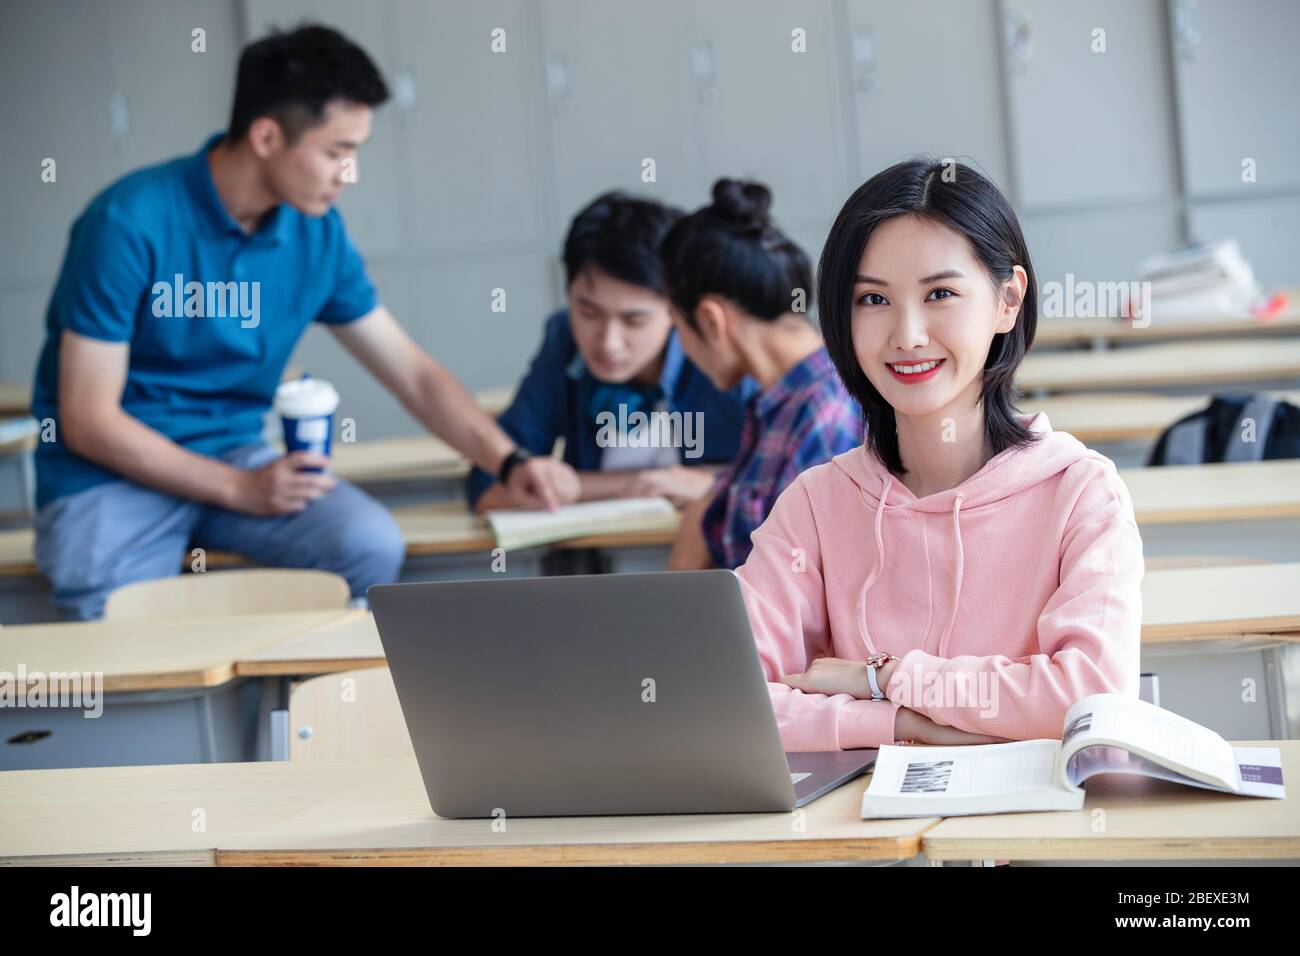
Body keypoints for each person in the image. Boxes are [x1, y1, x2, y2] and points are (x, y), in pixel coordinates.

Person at [30, 24, 574, 619]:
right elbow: (86, 421)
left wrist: (511, 463)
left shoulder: (315, 233)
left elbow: (413, 375)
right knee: (110, 609)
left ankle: (294, 713)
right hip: (109, 477)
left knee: (368, 545)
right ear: (266, 136)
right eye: (337, 152)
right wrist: (240, 489)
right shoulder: (127, 223)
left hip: (237, 455)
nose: (350, 174)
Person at [736, 159, 1144, 749]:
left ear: (1008, 300)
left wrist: (884, 677)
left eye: (941, 294)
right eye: (873, 300)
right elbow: (732, 699)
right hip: (865, 835)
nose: (907, 334)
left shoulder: (1080, 492)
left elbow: (1091, 696)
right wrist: (900, 723)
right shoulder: (816, 505)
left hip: (1032, 834)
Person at [466, 192, 755, 513]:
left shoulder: (718, 348)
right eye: (588, 312)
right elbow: (488, 485)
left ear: (675, 308)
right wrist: (668, 481)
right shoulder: (564, 342)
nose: (609, 343)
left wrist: (712, 485)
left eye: (634, 320)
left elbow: (796, 475)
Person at [658, 178, 863, 570]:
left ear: (710, 320)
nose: (681, 346)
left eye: (677, 328)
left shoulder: (826, 410)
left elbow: (805, 591)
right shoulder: (779, 405)